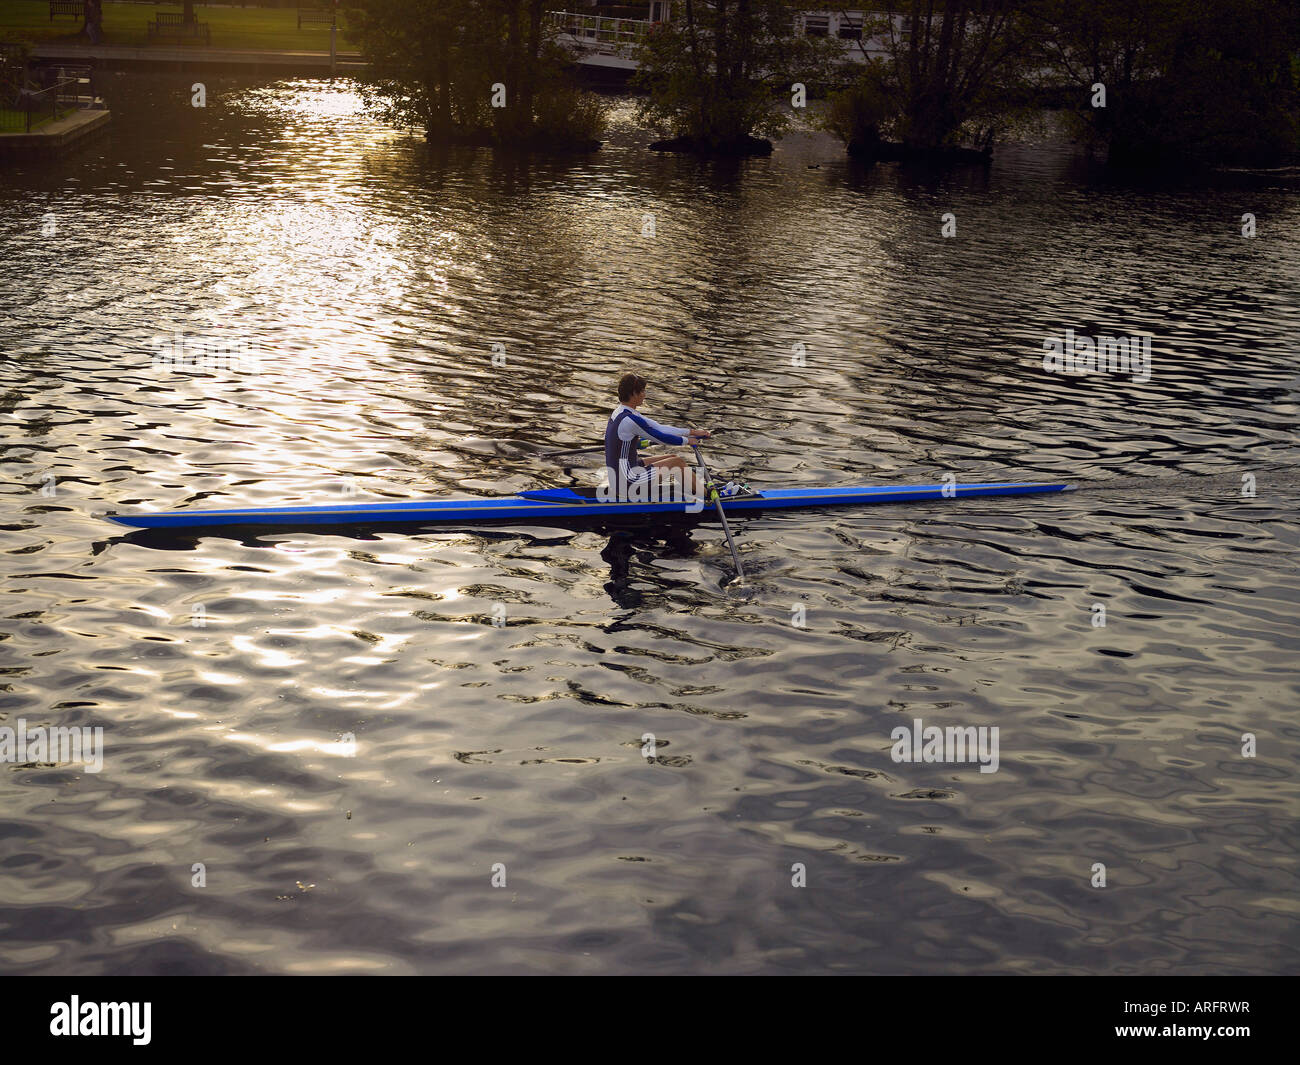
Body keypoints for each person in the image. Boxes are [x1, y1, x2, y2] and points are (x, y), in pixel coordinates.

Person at [605, 374, 745, 501]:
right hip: (628, 482)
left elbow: (660, 427)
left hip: (620, 475)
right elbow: (660, 437)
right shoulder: (630, 420)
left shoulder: (620, 412)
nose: (644, 394)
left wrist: (692, 432)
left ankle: (693, 489)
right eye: (642, 391)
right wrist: (687, 441)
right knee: (677, 462)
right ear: (634, 394)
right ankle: (710, 496)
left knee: (671, 457)